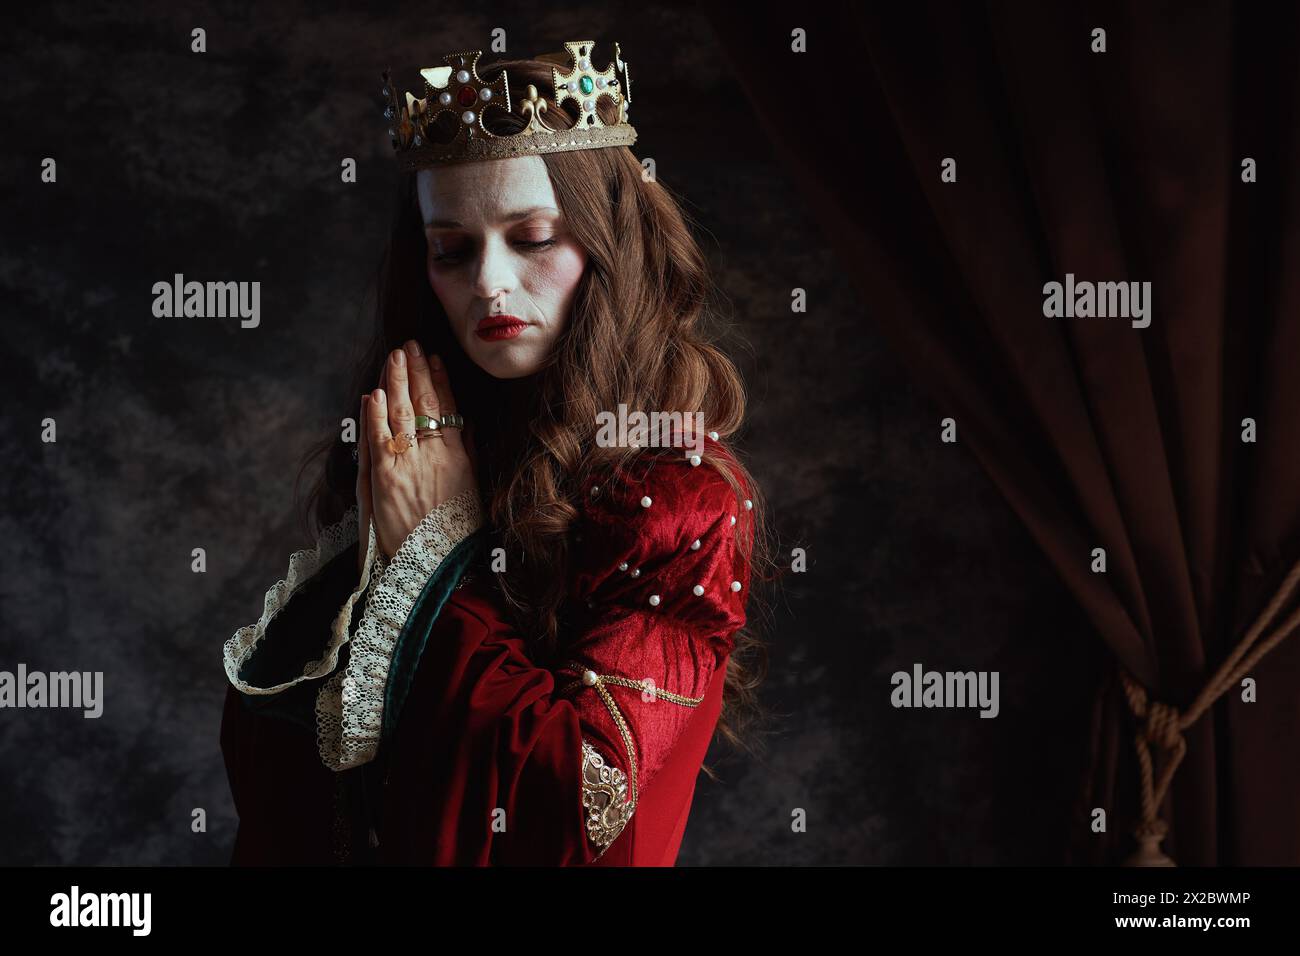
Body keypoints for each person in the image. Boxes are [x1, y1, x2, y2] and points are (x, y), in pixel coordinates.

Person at [220, 39, 770, 865]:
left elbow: (578, 799)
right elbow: (299, 781)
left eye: (535, 238)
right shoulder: (425, 443)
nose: (489, 282)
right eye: (453, 249)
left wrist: (439, 555)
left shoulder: (680, 493)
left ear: (605, 249)